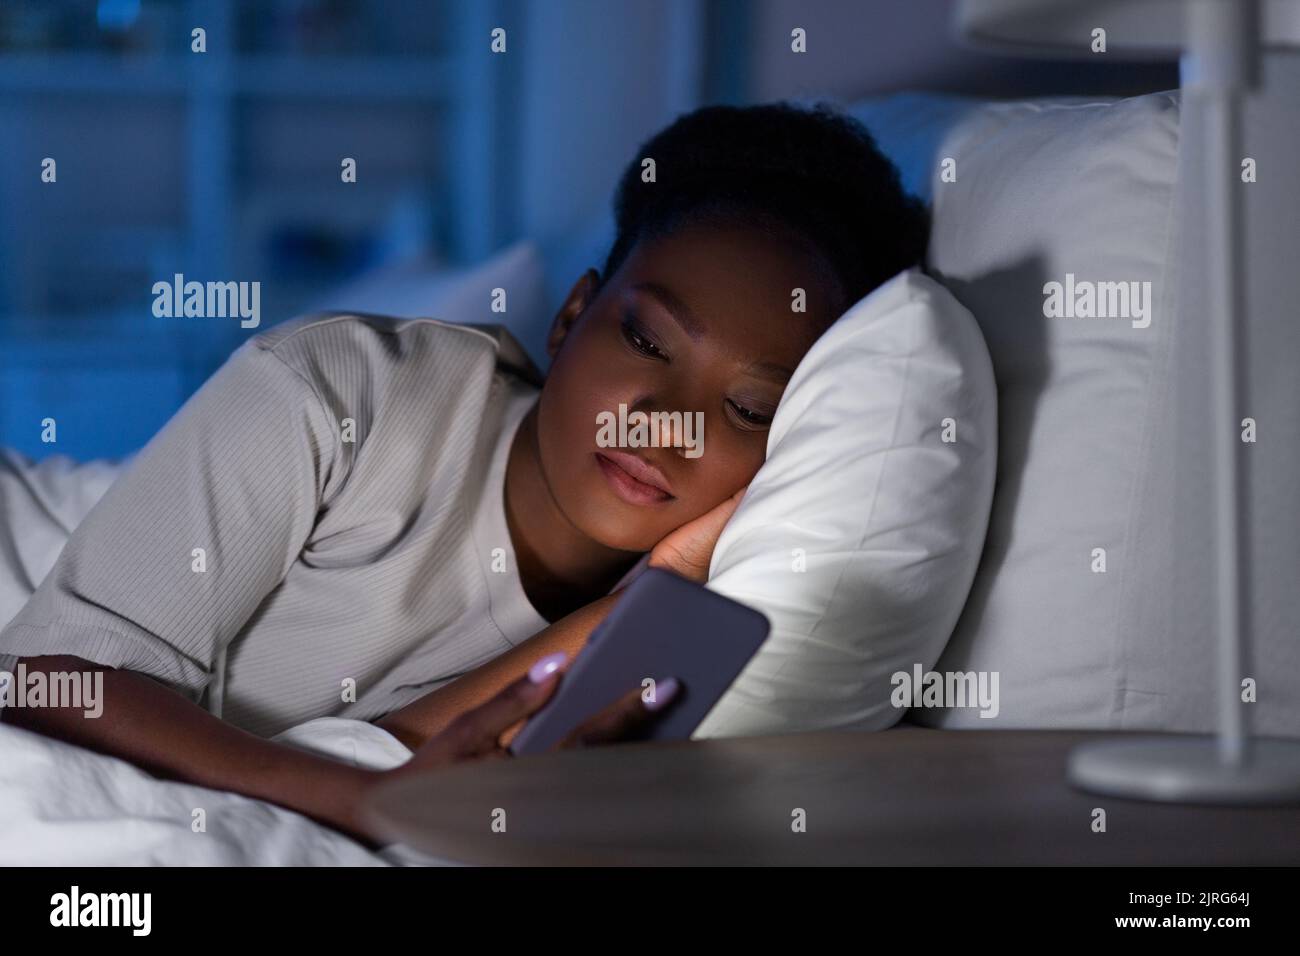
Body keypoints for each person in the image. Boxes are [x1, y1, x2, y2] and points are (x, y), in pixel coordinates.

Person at [0, 101, 928, 848]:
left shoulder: (698, 602)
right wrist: (362, 800)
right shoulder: (341, 388)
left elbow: (417, 762)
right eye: (646, 339)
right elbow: (47, 680)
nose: (660, 422)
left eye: (748, 409)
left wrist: (647, 601)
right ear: (571, 317)